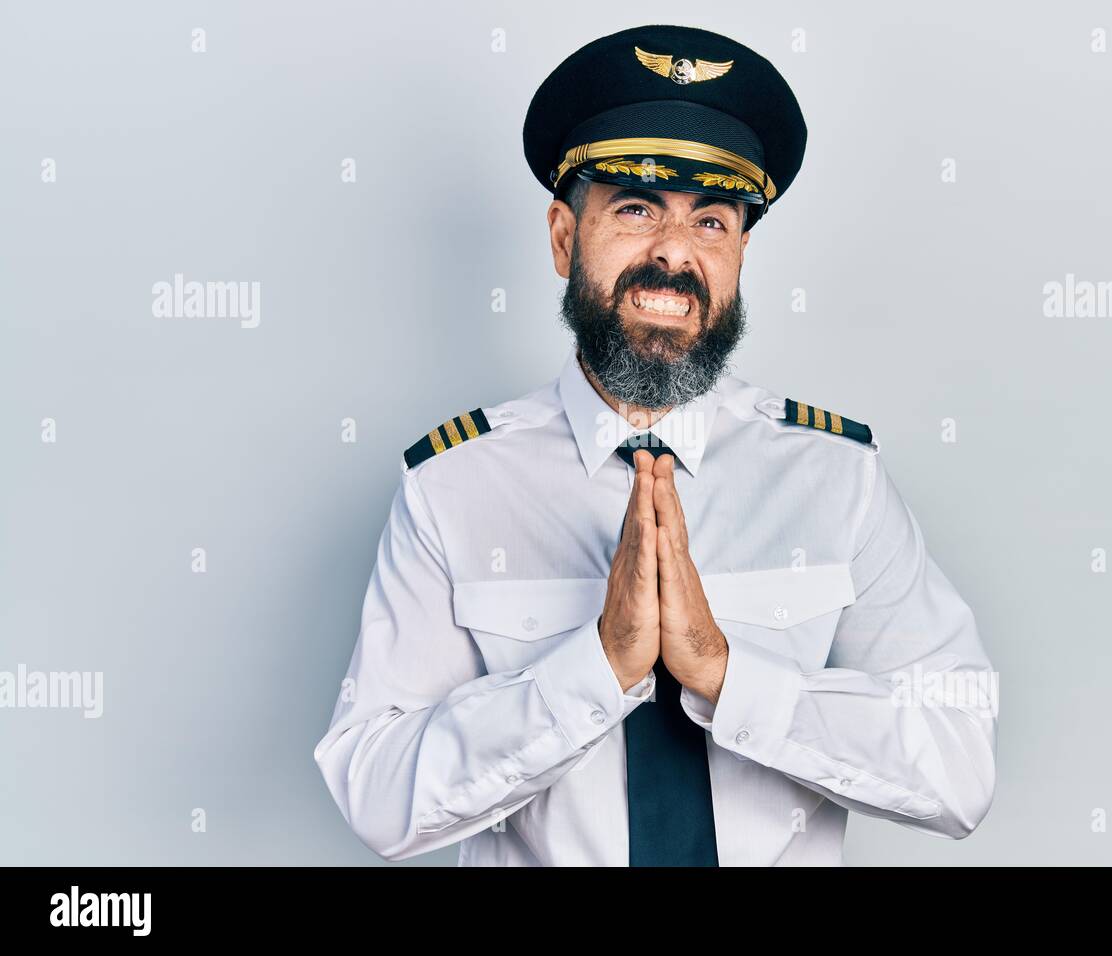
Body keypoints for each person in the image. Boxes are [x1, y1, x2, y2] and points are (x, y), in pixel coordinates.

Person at [313, 23, 997, 866]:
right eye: (636, 208)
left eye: (712, 220)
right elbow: (376, 793)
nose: (674, 252)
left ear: (741, 251)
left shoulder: (836, 477)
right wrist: (596, 668)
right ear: (565, 237)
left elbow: (960, 767)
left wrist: (725, 675)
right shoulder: (452, 488)